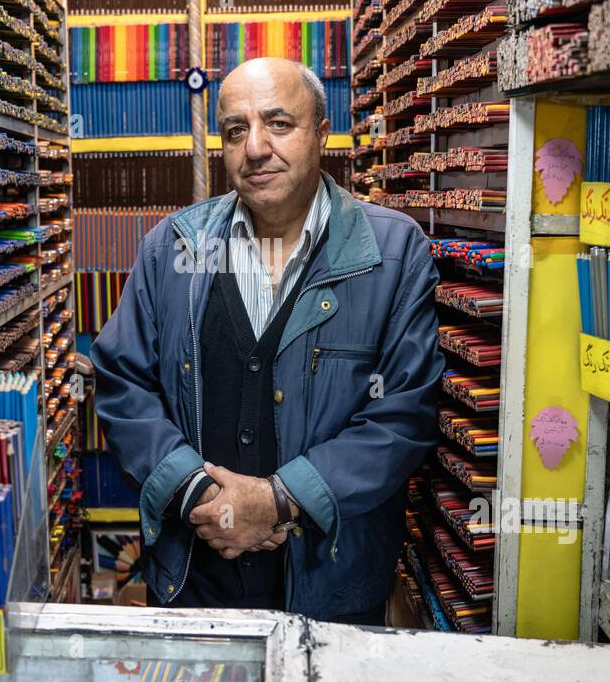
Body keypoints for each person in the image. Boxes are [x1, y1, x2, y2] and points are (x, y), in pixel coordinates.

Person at [91, 57, 444, 624]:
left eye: (279, 124)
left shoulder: (392, 254)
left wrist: (280, 500)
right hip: (192, 584)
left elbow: (404, 416)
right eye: (235, 130)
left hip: (332, 593)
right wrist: (197, 493)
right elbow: (121, 381)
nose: (255, 147)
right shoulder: (174, 248)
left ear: (322, 134)